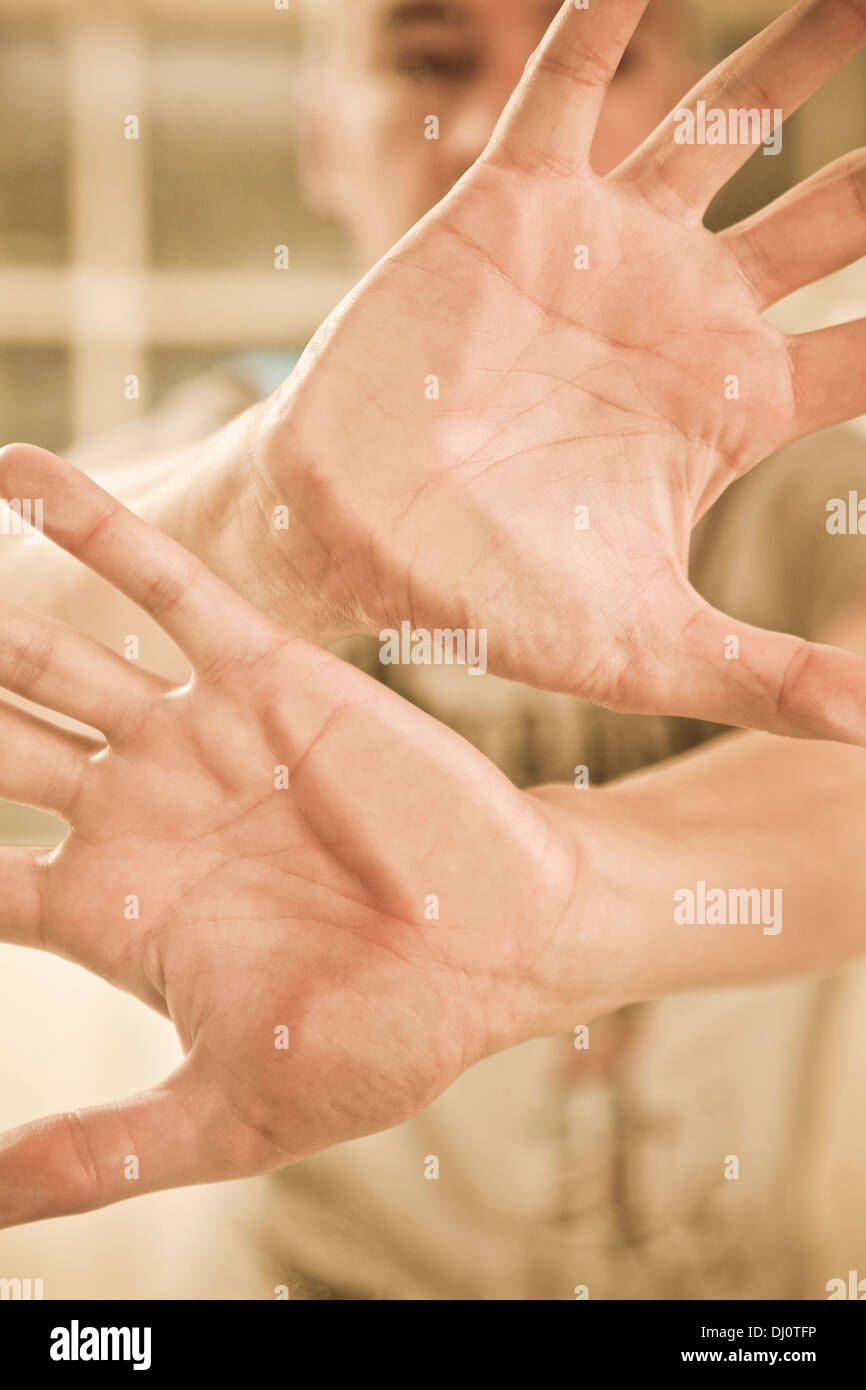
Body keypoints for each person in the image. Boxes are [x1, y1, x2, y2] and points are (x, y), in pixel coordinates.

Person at [2, 0, 866, 1299]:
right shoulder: (230, 453)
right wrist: (265, 525)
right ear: (319, 134)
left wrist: (566, 903)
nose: (491, 129)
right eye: (428, 58)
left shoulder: (796, 494)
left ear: (704, 110)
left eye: (604, 62)